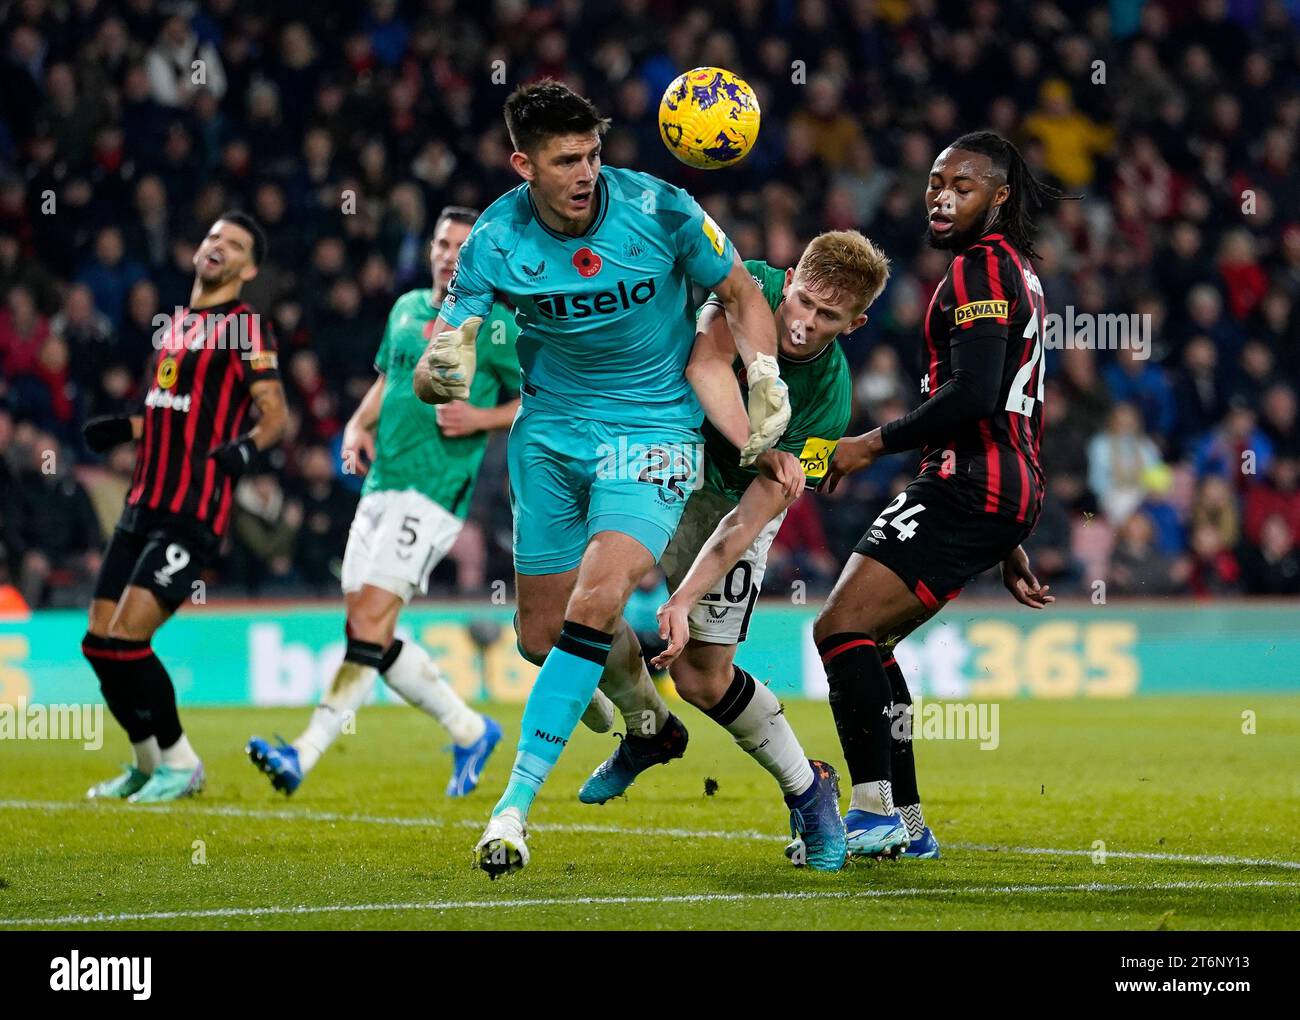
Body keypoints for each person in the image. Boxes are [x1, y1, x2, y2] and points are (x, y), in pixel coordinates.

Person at [413, 81, 790, 877]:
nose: (586, 173)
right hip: (548, 437)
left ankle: (511, 808)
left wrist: (761, 369)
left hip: (652, 434)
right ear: (524, 164)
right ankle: (649, 725)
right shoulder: (493, 239)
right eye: (565, 160)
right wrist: (441, 371)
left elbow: (741, 291)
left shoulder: (663, 210)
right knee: (539, 638)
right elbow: (438, 362)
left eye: (592, 154)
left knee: (596, 600)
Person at [580, 231, 891, 873]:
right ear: (792, 274)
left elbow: (748, 520)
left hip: (726, 508)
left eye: (828, 316)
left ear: (856, 323)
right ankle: (646, 731)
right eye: (803, 299)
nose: (804, 323)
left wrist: (683, 599)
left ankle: (809, 790)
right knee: (588, 601)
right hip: (666, 464)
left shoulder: (828, 405)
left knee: (700, 678)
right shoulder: (746, 283)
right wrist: (759, 442)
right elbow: (702, 367)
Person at [817, 132, 1064, 858]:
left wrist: (869, 443)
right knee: (871, 642)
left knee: (838, 629)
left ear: (1000, 197)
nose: (942, 195)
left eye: (963, 184)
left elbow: (977, 393)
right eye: (934, 182)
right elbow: (998, 404)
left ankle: (871, 813)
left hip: (970, 483)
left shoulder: (983, 267)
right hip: (992, 488)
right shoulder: (1009, 268)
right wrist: (1008, 536)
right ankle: (909, 827)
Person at [247, 207, 521, 798]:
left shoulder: (496, 325)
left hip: (432, 494)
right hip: (380, 486)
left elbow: (539, 400)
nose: (450, 253)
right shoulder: (405, 311)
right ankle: (471, 729)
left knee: (368, 622)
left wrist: (481, 416)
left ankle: (303, 752)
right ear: (429, 251)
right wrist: (354, 425)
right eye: (442, 243)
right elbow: (389, 381)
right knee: (367, 626)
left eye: (462, 245)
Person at [81, 212, 287, 803]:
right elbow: (172, 411)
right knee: (98, 643)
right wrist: (125, 427)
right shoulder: (177, 325)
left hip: (191, 512)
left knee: (126, 640)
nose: (217, 245)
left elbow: (276, 417)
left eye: (235, 244)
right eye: (213, 236)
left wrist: (244, 452)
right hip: (139, 505)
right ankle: (147, 763)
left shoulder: (245, 327)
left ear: (248, 269)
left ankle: (181, 762)